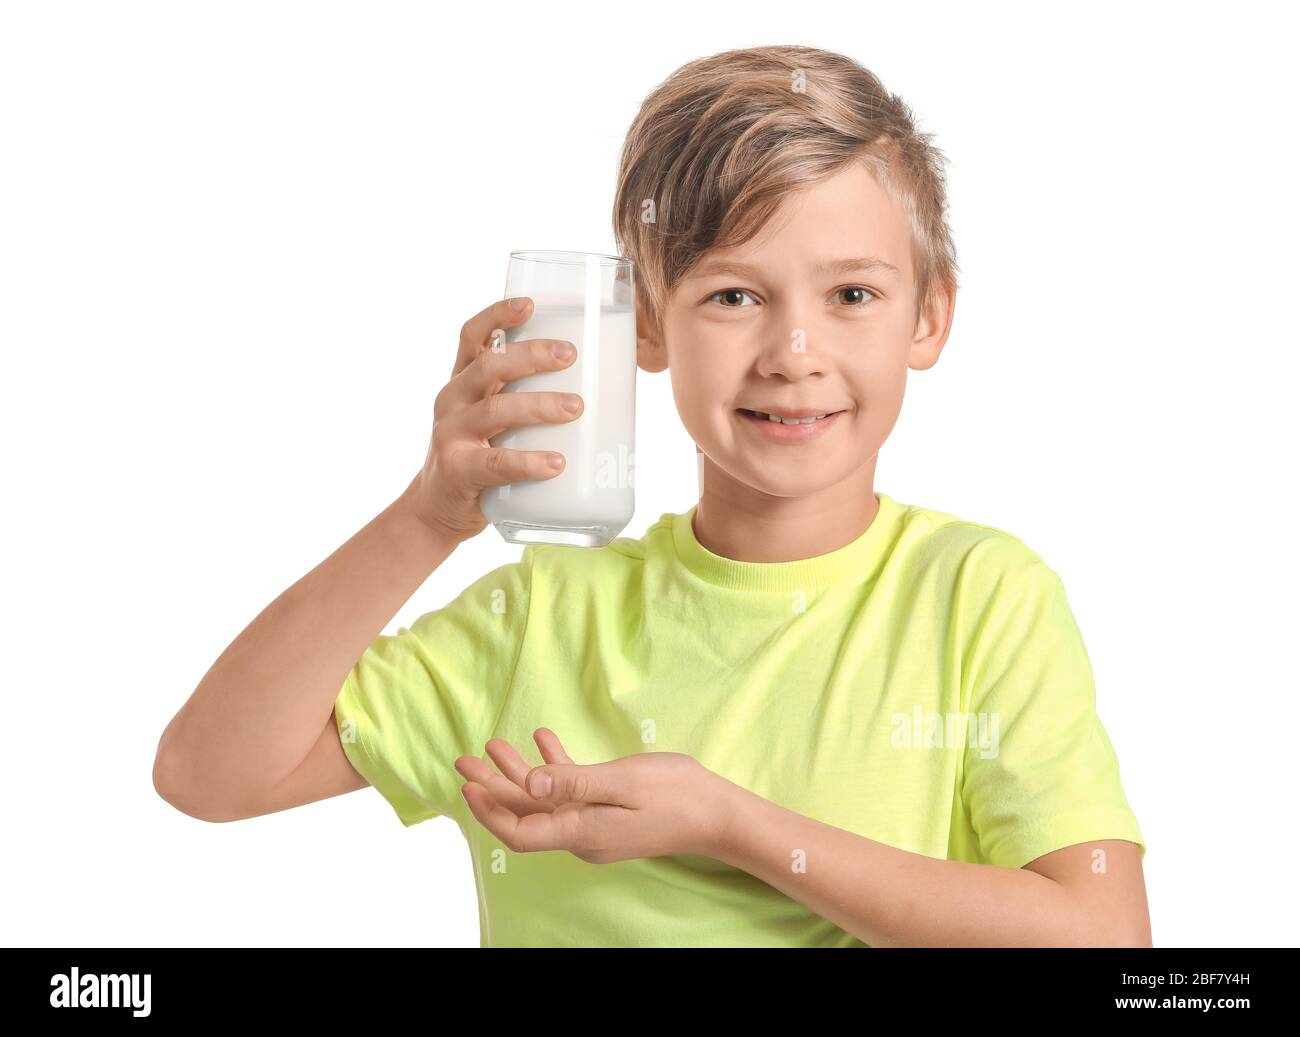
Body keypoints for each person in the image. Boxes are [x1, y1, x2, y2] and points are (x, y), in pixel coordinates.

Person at [154, 44, 1149, 947]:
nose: (794, 355)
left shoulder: (977, 595)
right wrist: (425, 517)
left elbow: (1102, 940)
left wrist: (733, 823)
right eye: (732, 295)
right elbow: (208, 774)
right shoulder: (543, 615)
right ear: (646, 326)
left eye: (851, 294)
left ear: (927, 318)